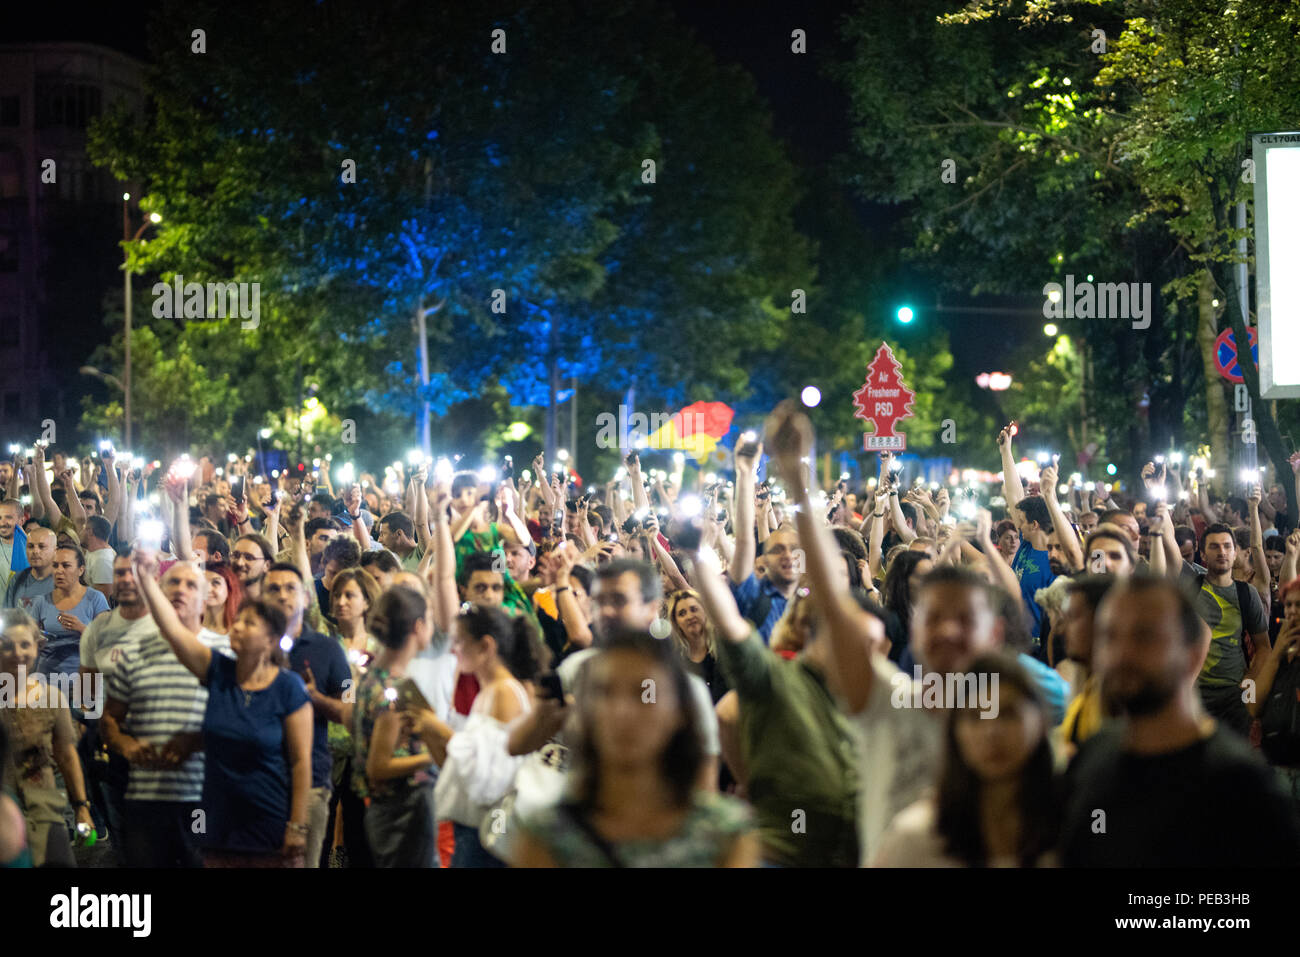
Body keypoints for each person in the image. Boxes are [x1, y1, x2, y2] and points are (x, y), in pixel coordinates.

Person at [1060, 576, 1300, 866]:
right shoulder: (1093, 758)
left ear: (1193, 652)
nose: (1122, 654)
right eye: (1110, 636)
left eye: (1145, 636)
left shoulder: (1244, 787)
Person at [513, 629, 759, 867]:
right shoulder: (547, 834)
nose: (622, 712)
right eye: (605, 692)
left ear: (680, 711)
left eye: (644, 693)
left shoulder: (726, 833)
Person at [134, 549, 313, 867]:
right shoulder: (217, 671)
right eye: (239, 620)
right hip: (218, 823)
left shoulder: (288, 688)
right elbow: (174, 631)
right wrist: (147, 580)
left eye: (250, 623)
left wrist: (298, 826)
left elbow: (300, 763)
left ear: (272, 640)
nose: (238, 627)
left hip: (270, 822)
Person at [693, 557, 859, 867]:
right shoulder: (779, 674)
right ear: (801, 627)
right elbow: (731, 632)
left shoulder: (864, 685)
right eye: (818, 625)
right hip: (786, 851)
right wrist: (694, 554)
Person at [871, 652, 1060, 867]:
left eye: (1008, 713)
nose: (992, 732)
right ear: (954, 731)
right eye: (974, 716)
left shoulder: (1070, 829)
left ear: (1041, 723)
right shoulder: (915, 839)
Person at [102, 560, 230, 868]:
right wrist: (127, 745)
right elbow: (109, 720)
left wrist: (198, 740)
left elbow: (240, 722)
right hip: (146, 796)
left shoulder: (224, 652)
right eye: (173, 583)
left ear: (204, 600)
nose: (181, 591)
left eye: (190, 585)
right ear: (158, 593)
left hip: (204, 797)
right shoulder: (132, 650)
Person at [436, 602, 543, 867]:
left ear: (485, 646)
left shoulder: (504, 692)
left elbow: (487, 782)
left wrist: (432, 726)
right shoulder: (490, 691)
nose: (453, 649)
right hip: (473, 829)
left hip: (487, 831)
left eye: (460, 642)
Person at [260, 562, 350, 867]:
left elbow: (347, 711)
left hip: (310, 782)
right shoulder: (248, 646)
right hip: (256, 782)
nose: (283, 596)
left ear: (306, 598)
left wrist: (316, 699)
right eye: (273, 589)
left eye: (290, 589)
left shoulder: (329, 649)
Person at [352, 586, 450, 867]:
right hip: (403, 811)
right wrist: (430, 759)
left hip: (390, 812)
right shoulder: (392, 690)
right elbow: (378, 766)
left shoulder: (373, 676)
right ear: (418, 627)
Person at [0, 609, 95, 866]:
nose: (18, 653)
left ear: (37, 647)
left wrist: (81, 807)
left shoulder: (52, 698)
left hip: (44, 807)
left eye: (24, 644)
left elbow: (66, 753)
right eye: (7, 645)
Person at [79, 552, 155, 864]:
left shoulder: (165, 626)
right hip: (113, 747)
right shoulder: (98, 629)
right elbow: (87, 688)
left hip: (157, 746)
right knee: (122, 829)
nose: (125, 579)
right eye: (119, 573)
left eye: (132, 573)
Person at [1177, 523, 1269, 737]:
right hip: (1195, 694)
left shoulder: (1247, 594)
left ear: (1236, 552)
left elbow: (1264, 648)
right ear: (1202, 553)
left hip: (1235, 694)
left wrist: (1249, 687)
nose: (1222, 552)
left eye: (1227, 546)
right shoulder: (1190, 590)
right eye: (1215, 547)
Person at [1251, 578, 1300, 809]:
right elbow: (1250, 704)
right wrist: (1275, 654)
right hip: (1275, 771)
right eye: (1288, 605)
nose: (1292, 611)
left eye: (1298, 605)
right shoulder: (1275, 654)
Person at [28, 545, 109, 684]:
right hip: (46, 684)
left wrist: (83, 629)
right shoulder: (41, 601)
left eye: (66, 565)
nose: (59, 571)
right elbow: (27, 643)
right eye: (55, 565)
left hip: (83, 684)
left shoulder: (95, 599)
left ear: (81, 570)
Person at [666, 588, 729, 704]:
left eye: (694, 609)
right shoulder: (674, 662)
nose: (689, 616)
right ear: (676, 623)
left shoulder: (724, 651)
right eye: (682, 614)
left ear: (705, 611)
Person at [3, 526, 56, 613]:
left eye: (41, 546)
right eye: (30, 546)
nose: (35, 551)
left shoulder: (63, 580)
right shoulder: (17, 579)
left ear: (55, 551)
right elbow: (7, 617)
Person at [201, 565, 244, 636]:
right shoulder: (185, 628)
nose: (207, 589)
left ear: (229, 589)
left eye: (216, 583)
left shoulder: (238, 633)